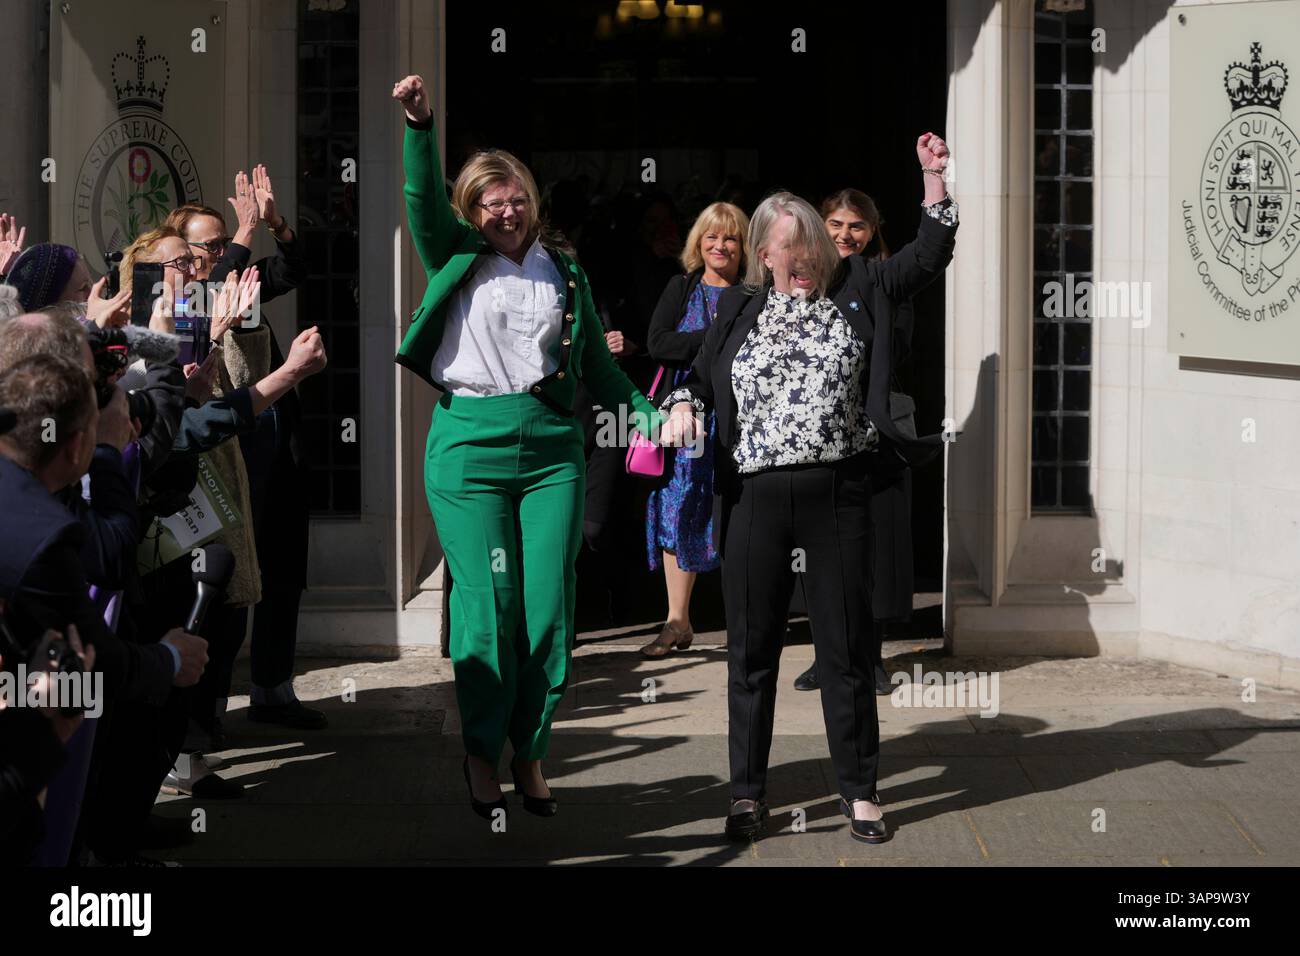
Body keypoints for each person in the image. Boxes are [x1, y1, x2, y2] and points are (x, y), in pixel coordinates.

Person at [658, 133, 958, 844]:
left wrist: (933, 180)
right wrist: (681, 405)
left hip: (839, 492)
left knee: (848, 647)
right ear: (764, 254)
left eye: (812, 250)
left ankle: (860, 792)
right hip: (756, 499)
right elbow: (698, 378)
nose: (803, 263)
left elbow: (930, 253)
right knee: (751, 651)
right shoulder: (735, 310)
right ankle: (747, 795)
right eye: (789, 253)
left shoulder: (859, 286)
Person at [391, 73, 662, 821]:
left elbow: (598, 369)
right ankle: (481, 754)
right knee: (490, 607)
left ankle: (531, 751)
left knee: (547, 608)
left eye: (515, 198)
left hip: (550, 452)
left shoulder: (564, 268)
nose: (505, 211)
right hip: (469, 449)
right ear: (471, 210)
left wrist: (642, 412)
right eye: (489, 200)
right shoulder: (454, 251)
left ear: (532, 202)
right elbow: (420, 201)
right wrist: (421, 126)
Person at [165, 175, 323, 733]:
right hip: (224, 464)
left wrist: (276, 225)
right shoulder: (178, 305)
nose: (216, 253)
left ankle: (273, 690)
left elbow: (297, 268)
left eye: (220, 241)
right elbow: (214, 302)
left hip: (277, 454)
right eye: (204, 246)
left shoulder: (241, 285)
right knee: (225, 591)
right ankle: (202, 719)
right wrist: (247, 233)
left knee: (283, 574)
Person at [793, 189, 918, 694]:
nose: (846, 235)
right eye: (837, 224)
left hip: (877, 430)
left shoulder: (889, 280)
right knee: (821, 546)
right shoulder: (801, 281)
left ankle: (872, 658)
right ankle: (827, 656)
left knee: (878, 546)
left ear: (872, 230)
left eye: (857, 226)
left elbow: (900, 350)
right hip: (817, 435)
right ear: (821, 226)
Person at [640, 201, 749, 658]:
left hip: (740, 415)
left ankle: (745, 623)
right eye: (711, 236)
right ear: (698, 243)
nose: (720, 245)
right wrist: (714, 340)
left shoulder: (754, 292)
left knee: (738, 511)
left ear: (744, 246)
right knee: (678, 504)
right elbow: (657, 343)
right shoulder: (681, 287)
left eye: (730, 237)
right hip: (684, 416)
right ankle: (677, 621)